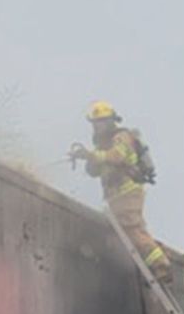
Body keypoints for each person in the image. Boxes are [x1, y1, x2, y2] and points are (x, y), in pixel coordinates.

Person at [70, 101, 174, 283]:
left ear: (111, 121)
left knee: (130, 231)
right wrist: (89, 159)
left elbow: (117, 156)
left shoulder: (121, 137)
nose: (97, 127)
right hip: (116, 196)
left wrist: (93, 155)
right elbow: (95, 170)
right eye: (95, 123)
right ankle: (161, 255)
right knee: (137, 230)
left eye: (101, 122)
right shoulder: (103, 145)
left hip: (127, 193)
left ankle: (161, 266)